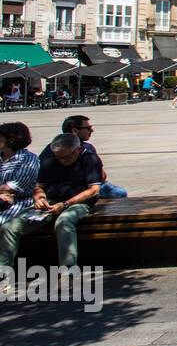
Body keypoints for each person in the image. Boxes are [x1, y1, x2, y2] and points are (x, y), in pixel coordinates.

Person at [0, 132, 101, 272]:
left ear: (77, 150)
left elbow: (94, 190)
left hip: (77, 202)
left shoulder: (90, 159)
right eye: (58, 157)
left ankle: (68, 271)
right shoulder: (49, 160)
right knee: (9, 227)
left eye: (66, 157)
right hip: (51, 201)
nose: (61, 160)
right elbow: (39, 186)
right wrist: (40, 198)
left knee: (64, 223)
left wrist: (65, 204)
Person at [47, 116, 125, 199]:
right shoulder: (86, 148)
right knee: (121, 193)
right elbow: (102, 177)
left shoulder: (51, 147)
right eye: (88, 128)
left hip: (54, 189)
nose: (92, 130)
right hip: (80, 190)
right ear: (75, 131)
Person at [0, 123, 40, 266]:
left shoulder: (27, 159)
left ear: (11, 140)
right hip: (3, 201)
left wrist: (5, 192)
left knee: (4, 226)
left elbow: (13, 187)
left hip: (19, 203)